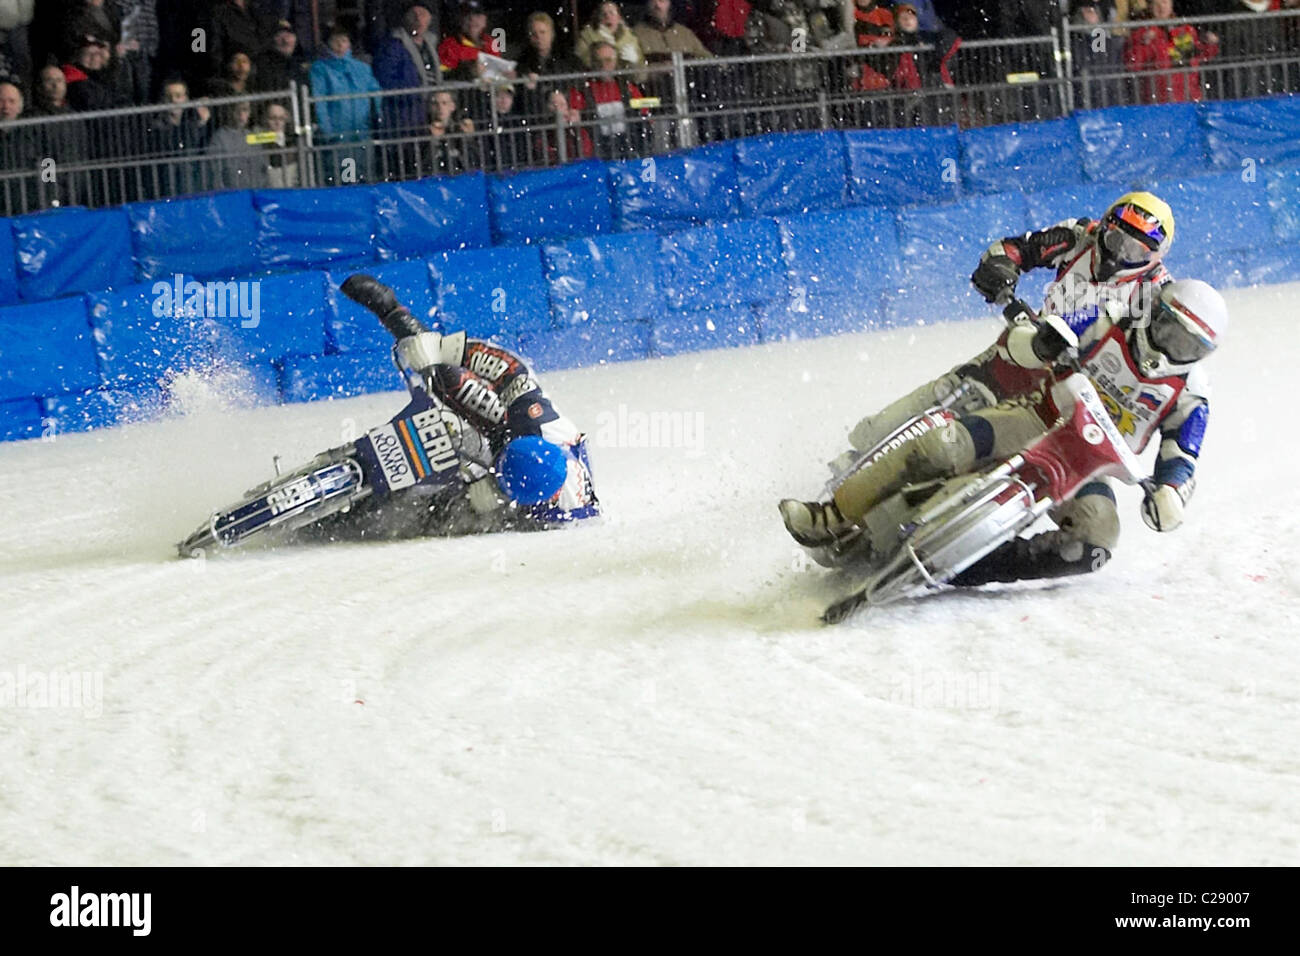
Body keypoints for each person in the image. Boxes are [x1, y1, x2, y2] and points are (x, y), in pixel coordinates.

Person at [781, 195, 1225, 587]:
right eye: (1116, 241)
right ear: (1104, 227)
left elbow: (1182, 457)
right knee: (911, 431)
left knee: (1096, 538)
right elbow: (1018, 251)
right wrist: (1006, 280)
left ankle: (967, 559)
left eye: (1136, 250)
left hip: (1084, 443)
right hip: (1026, 370)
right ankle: (843, 492)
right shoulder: (1089, 260)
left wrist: (1170, 491)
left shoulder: (1156, 307)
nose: (1120, 256)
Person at [314, 274, 601, 539]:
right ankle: (391, 310)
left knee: (444, 514)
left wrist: (494, 496)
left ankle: (347, 519)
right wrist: (444, 351)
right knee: (447, 378)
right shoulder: (533, 416)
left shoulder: (569, 509)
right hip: (505, 429)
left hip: (512, 499)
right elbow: (509, 367)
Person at [309, 23, 381, 183]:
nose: (340, 45)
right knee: (342, 177)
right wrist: (327, 130)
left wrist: (379, 116)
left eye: (344, 40)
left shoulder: (362, 68)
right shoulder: (320, 69)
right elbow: (319, 100)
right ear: (328, 44)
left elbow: (376, 92)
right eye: (336, 41)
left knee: (365, 175)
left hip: (362, 132)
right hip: (338, 135)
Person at [1124, 0, 1218, 103]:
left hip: (1189, 97)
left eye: (1164, 2)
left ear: (1171, 4)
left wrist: (1209, 44)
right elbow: (1133, 64)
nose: (1161, 7)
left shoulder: (1184, 29)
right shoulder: (1141, 33)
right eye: (1156, 4)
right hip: (1158, 101)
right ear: (1150, 6)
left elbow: (1199, 54)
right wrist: (1145, 44)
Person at [577, 2, 645, 70]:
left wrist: (635, 62)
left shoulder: (630, 39)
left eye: (611, 13)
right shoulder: (587, 36)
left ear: (618, 17)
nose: (608, 16)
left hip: (624, 79)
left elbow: (642, 75)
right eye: (603, 14)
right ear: (598, 18)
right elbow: (582, 62)